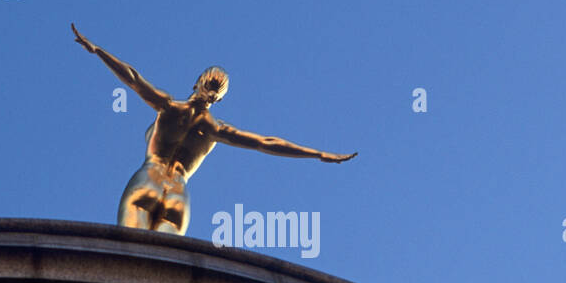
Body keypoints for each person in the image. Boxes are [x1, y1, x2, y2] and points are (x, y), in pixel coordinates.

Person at [71, 24, 354, 234]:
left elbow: (133, 79)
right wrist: (318, 154)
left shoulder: (170, 109)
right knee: (161, 269)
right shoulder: (214, 128)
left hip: (149, 179)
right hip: (178, 192)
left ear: (198, 85)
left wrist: (98, 50)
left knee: (133, 258)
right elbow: (266, 143)